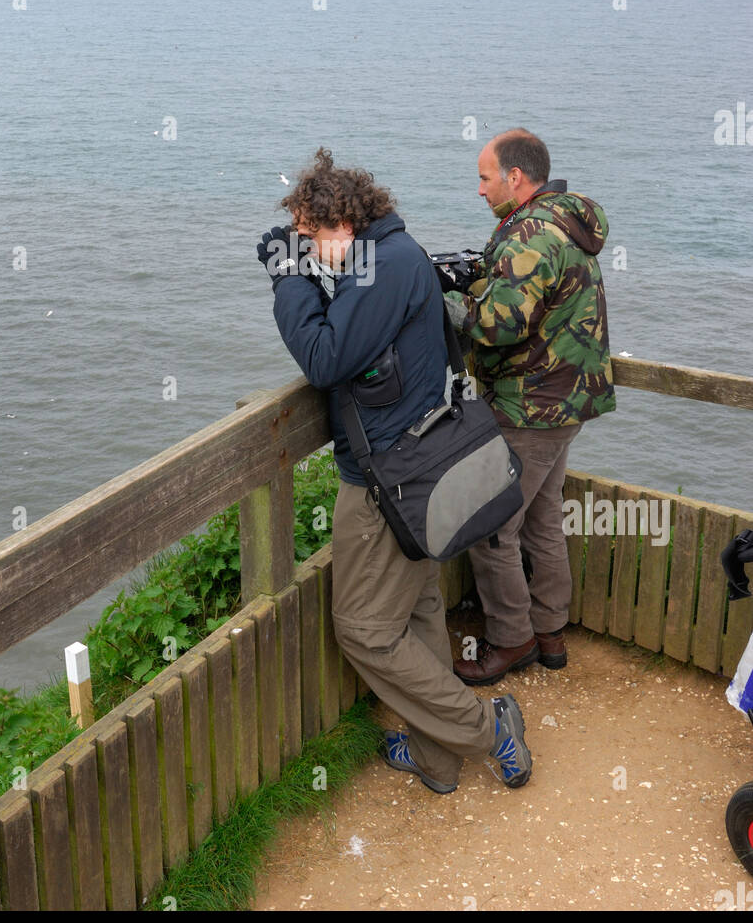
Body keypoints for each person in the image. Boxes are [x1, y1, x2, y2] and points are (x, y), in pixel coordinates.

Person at [256, 147, 532, 793]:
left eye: (307, 237)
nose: (304, 250)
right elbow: (352, 332)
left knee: (362, 630)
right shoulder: (389, 256)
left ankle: (486, 728)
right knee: (418, 615)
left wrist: (285, 278)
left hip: (387, 484)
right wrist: (305, 265)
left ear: (340, 225)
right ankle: (438, 762)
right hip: (417, 471)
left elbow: (324, 356)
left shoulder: (383, 268)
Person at [445, 129, 615, 685]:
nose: (479, 189)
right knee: (542, 521)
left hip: (529, 406)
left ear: (515, 177)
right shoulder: (567, 222)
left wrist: (452, 298)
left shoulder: (532, 233)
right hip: (568, 399)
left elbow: (498, 324)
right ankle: (549, 632)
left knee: (490, 526)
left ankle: (511, 639)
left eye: (484, 177)